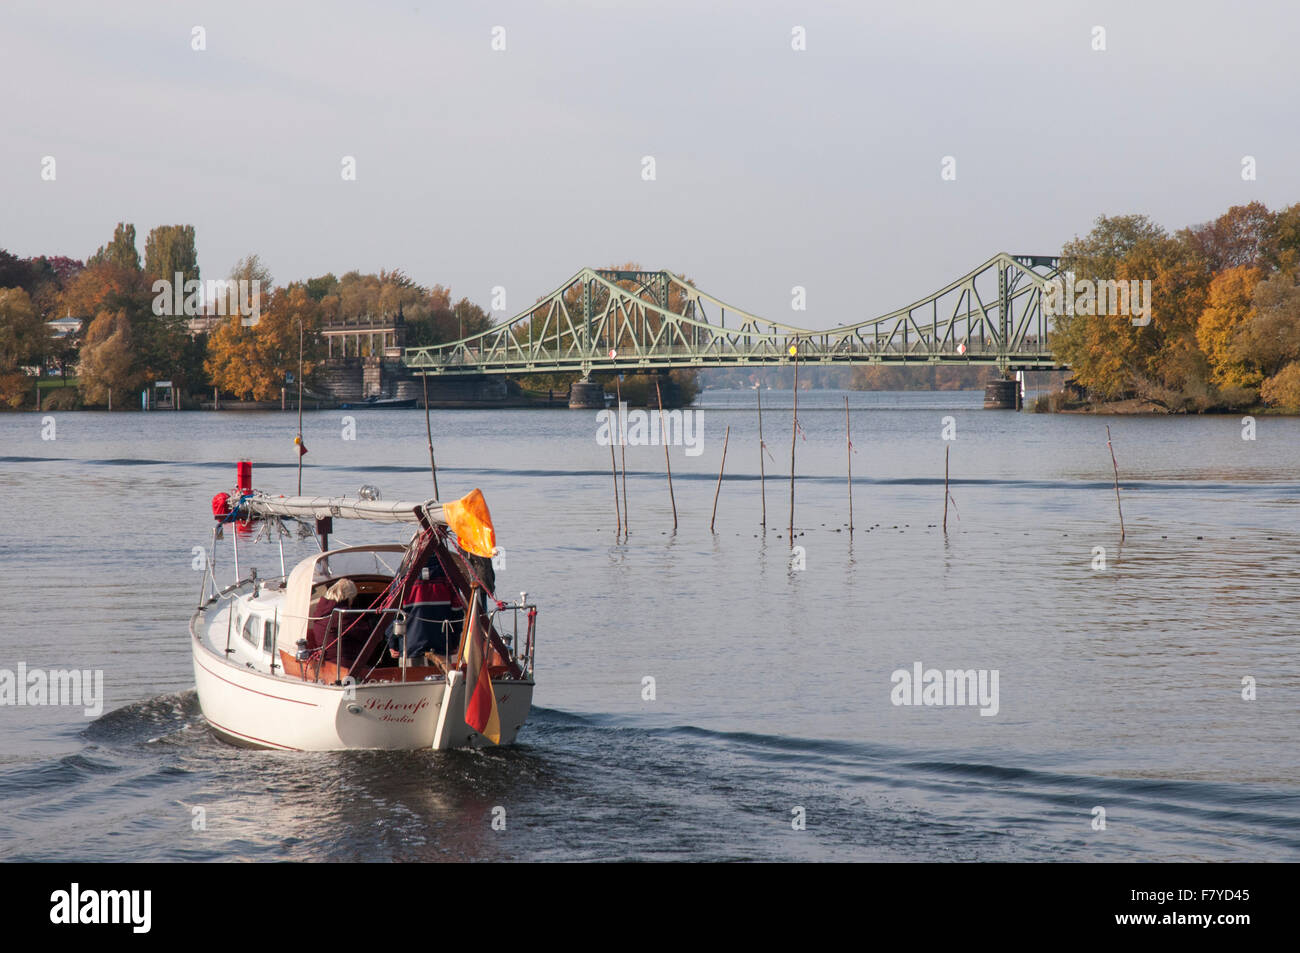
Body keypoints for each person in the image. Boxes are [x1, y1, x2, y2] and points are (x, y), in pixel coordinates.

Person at [387, 560, 459, 665]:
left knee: (411, 679)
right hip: (442, 644)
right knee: (442, 679)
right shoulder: (447, 572)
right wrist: (455, 641)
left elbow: (392, 611)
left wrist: (392, 643)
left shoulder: (403, 574)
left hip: (410, 645)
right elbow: (457, 610)